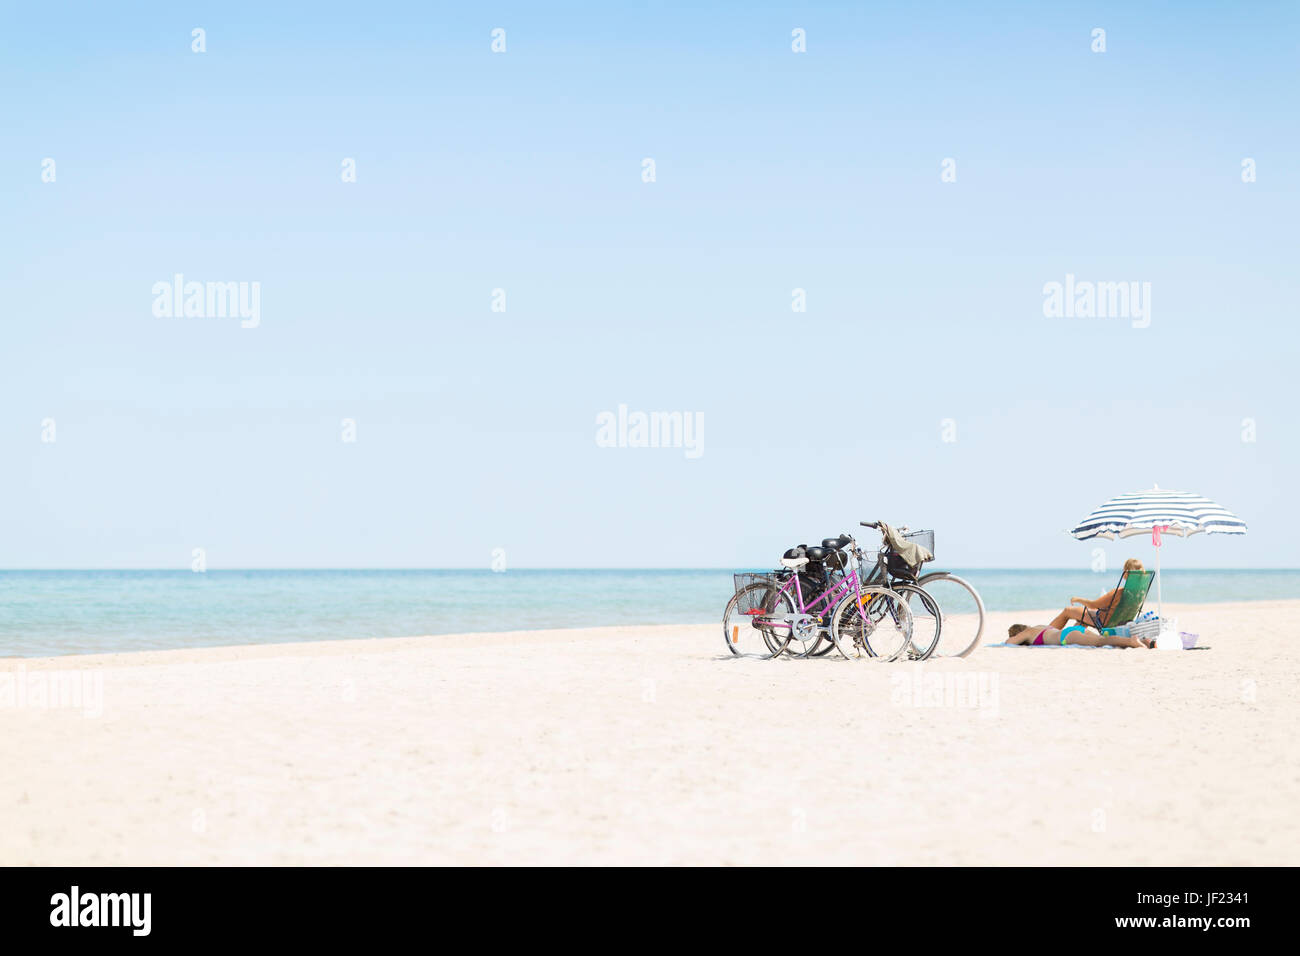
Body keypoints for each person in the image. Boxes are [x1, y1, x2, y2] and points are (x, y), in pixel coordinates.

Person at [1048, 558, 1146, 630]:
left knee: (1067, 611)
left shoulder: (1119, 592)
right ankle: (1069, 637)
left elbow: (1093, 604)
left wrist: (1077, 599)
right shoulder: (1139, 593)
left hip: (1103, 622)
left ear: (1126, 573)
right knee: (1082, 619)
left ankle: (1045, 634)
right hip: (1119, 624)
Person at [1006, 623, 1153, 648]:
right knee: (1101, 640)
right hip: (1072, 630)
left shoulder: (1028, 632)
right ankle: (1145, 642)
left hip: (1066, 637)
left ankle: (1131, 641)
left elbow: (1009, 642)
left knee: (1100, 641)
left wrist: (1016, 637)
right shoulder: (1039, 627)